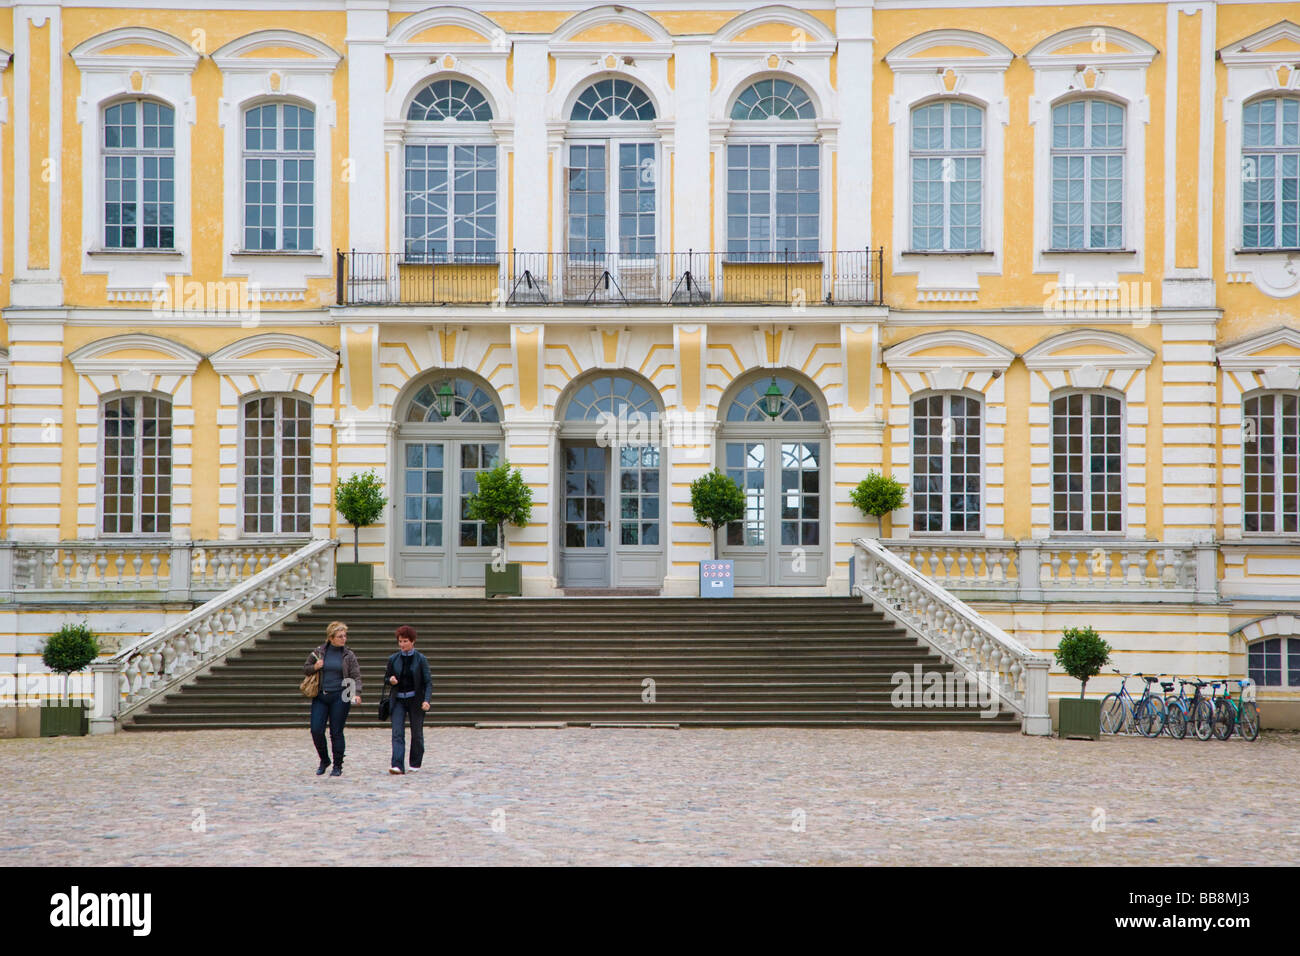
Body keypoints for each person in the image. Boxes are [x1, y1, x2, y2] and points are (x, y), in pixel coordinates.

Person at [305, 621, 362, 776]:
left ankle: (338, 765)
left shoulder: (348, 655)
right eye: (340, 636)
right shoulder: (318, 652)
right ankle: (324, 760)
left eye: (345, 636)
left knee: (336, 732)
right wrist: (315, 667)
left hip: (341, 696)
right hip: (321, 695)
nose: (343, 639)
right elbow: (306, 668)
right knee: (316, 730)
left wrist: (356, 693)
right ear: (330, 638)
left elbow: (355, 676)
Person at [383, 625, 432, 775]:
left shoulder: (421, 659)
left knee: (417, 733)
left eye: (405, 641)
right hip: (398, 700)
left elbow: (428, 681)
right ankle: (397, 764)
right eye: (400, 641)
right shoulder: (393, 659)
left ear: (412, 641)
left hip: (415, 700)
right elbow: (386, 678)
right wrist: (390, 680)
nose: (402, 644)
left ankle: (415, 762)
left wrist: (426, 700)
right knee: (397, 732)